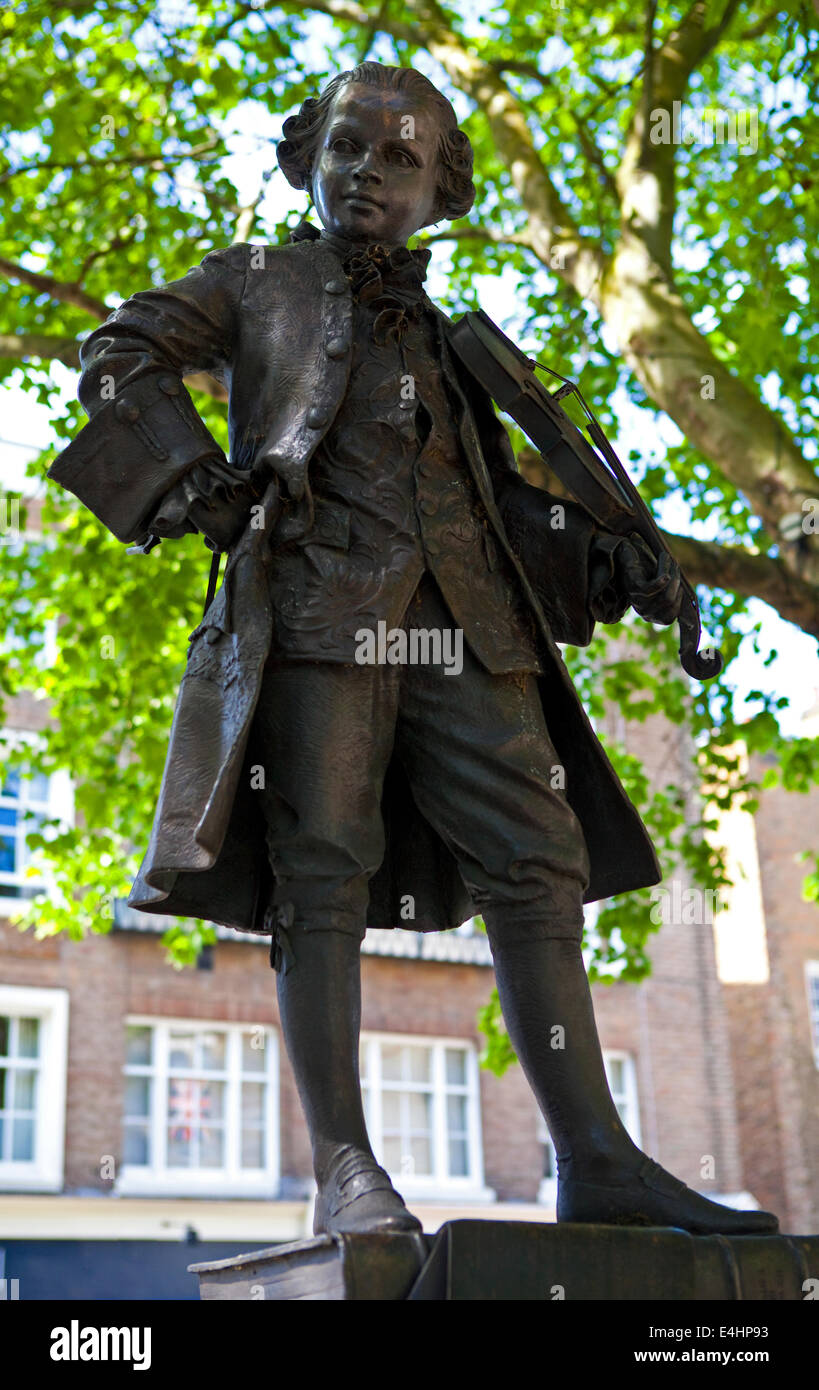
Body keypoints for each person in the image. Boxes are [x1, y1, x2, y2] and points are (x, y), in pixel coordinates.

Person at [50, 62, 778, 1238]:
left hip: (472, 628)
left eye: (399, 159)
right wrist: (192, 480)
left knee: (540, 861)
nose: (367, 174)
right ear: (309, 157)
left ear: (442, 189)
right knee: (323, 860)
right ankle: (345, 1169)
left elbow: (498, 507)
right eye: (347, 148)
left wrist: (607, 561)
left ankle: (595, 1157)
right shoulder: (255, 279)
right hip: (320, 611)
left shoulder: (461, 345)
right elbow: (119, 351)